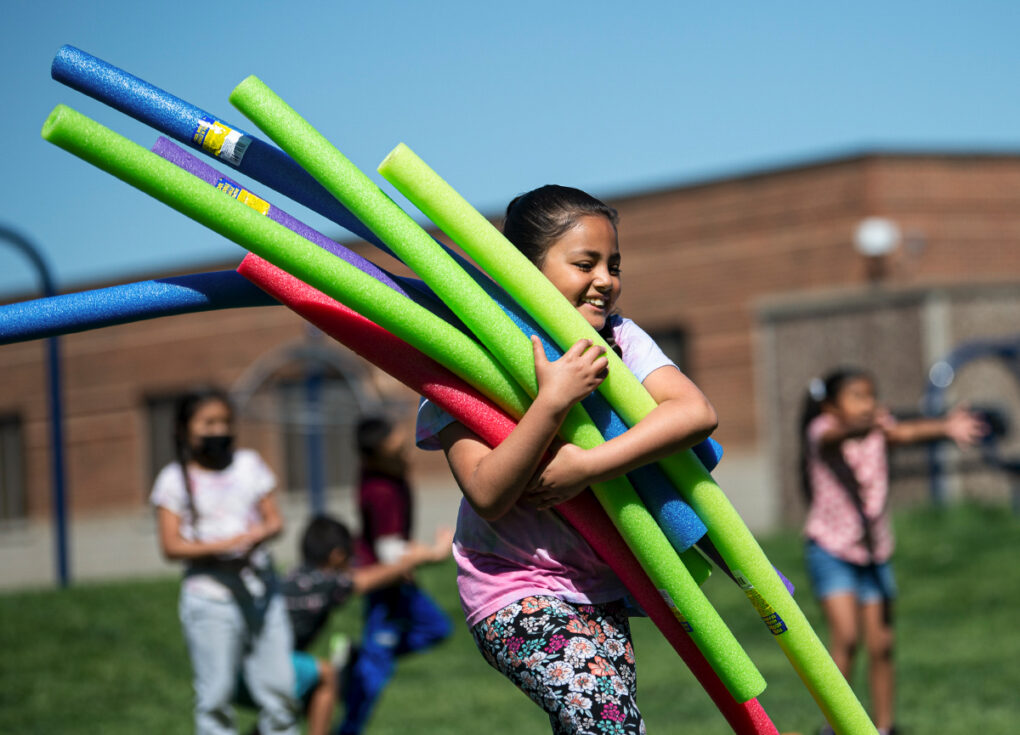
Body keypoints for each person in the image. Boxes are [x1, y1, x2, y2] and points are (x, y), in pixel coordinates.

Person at [415, 184, 718, 734]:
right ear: (525, 269)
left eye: (613, 264)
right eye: (586, 263)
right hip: (512, 591)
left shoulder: (622, 339)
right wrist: (553, 401)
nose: (606, 279)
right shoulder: (466, 357)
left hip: (601, 587)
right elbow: (486, 491)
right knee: (609, 725)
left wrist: (588, 467)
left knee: (604, 726)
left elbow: (694, 413)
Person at [799, 367, 987, 735]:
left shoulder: (878, 428)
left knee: (882, 644)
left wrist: (945, 427)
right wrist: (872, 426)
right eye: (857, 397)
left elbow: (907, 432)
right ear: (831, 406)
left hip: (873, 552)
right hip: (830, 549)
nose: (868, 404)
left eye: (871, 396)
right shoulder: (821, 430)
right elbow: (840, 436)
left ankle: (884, 728)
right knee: (848, 639)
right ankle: (835, 726)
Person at [150, 387, 298, 735]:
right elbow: (171, 546)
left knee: (281, 690)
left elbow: (274, 520)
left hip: (262, 591)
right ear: (184, 429)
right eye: (208, 422)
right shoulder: (172, 480)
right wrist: (225, 545)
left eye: (225, 422)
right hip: (209, 598)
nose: (218, 430)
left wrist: (258, 536)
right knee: (215, 697)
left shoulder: (249, 465)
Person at [265, 515, 452, 735]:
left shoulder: (294, 574)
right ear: (336, 557)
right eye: (349, 559)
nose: (352, 564)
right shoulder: (323, 583)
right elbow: (363, 582)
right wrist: (427, 556)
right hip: (265, 660)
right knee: (325, 677)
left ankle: (354, 660)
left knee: (289, 706)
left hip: (262, 657)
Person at [338, 416, 455, 734]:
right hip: (383, 583)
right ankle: (347, 726)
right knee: (375, 670)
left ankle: (357, 659)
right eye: (396, 452)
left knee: (436, 627)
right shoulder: (381, 490)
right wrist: (434, 552)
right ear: (374, 458)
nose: (406, 456)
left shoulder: (388, 474)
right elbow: (390, 554)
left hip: (397, 581)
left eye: (404, 448)